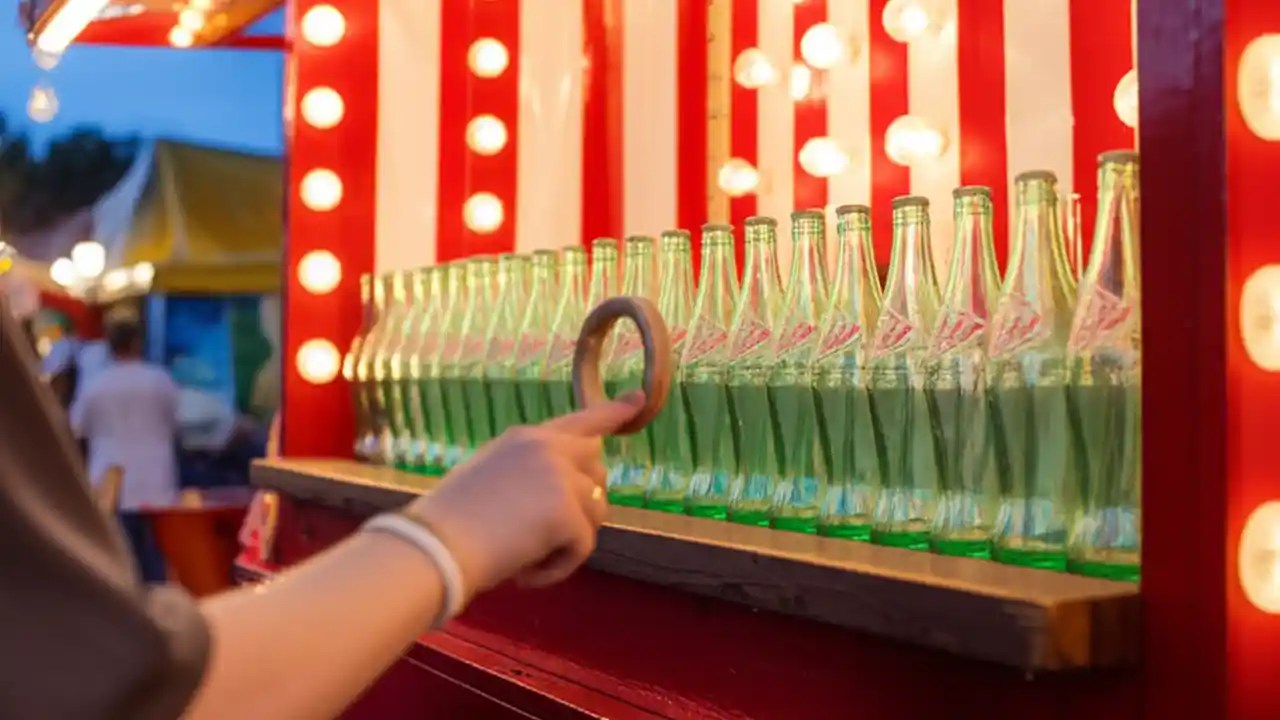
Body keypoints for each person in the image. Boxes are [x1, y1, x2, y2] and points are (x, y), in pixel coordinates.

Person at [0, 292, 643, 719]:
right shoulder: (161, 381)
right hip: (149, 477)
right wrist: (455, 534)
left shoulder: (99, 381)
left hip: (116, 482)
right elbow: (129, 695)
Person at [69, 316, 180, 582]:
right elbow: (177, 424)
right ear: (138, 342)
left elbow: (76, 427)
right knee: (157, 565)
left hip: (110, 484)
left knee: (120, 564)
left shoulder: (95, 385)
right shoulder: (159, 380)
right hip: (157, 484)